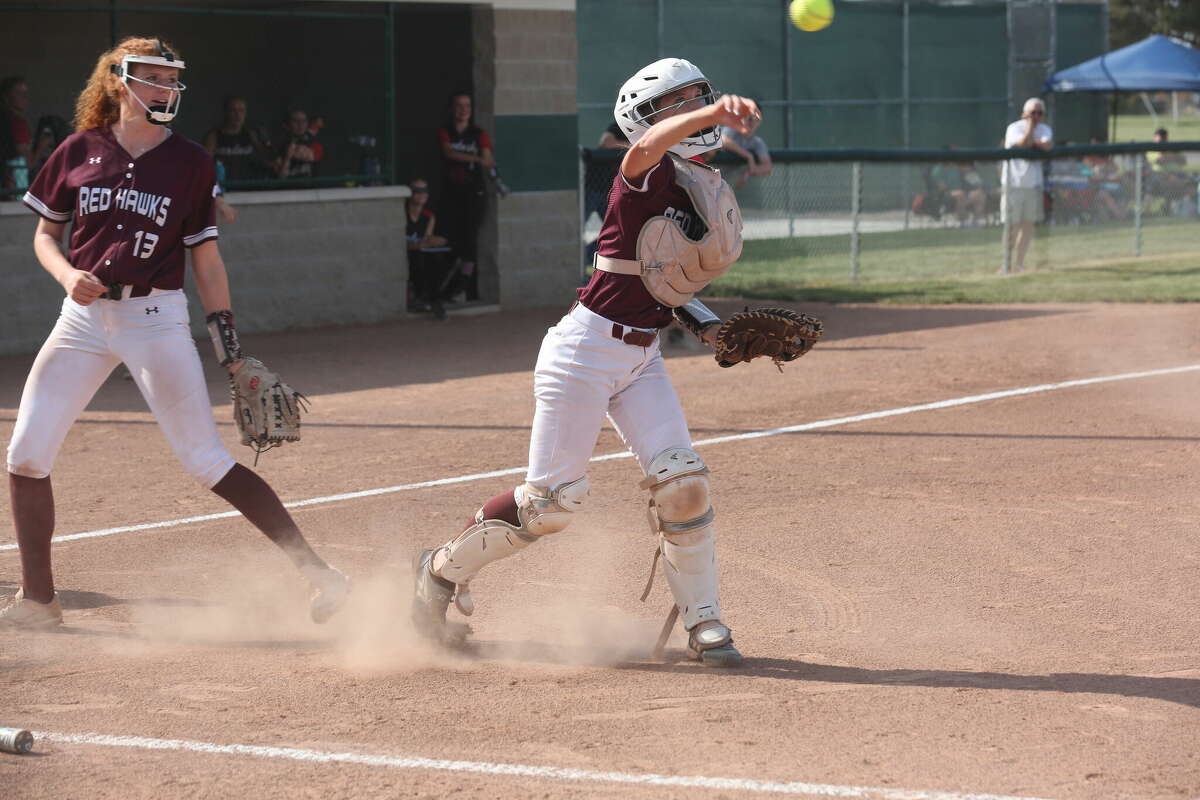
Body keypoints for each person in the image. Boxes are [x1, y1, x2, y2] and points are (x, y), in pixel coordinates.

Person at [411, 57, 760, 667]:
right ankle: (437, 573)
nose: (689, 112)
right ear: (642, 121)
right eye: (675, 106)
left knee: (684, 481)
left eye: (696, 98)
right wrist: (712, 114)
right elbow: (649, 146)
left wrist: (705, 323)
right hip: (584, 351)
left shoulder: (697, 182)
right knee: (550, 506)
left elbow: (660, 277)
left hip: (642, 355)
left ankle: (705, 625)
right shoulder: (643, 173)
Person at [0, 37, 349, 628]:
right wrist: (66, 277)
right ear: (119, 82)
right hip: (82, 319)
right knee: (26, 457)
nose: (165, 89)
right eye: (154, 77)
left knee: (204, 460)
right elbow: (44, 235)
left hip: (154, 318)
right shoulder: (78, 149)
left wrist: (230, 352)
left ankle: (320, 573)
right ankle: (39, 602)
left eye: (171, 79)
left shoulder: (191, 161)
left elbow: (206, 261)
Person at [437, 92, 502, 301]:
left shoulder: (478, 134)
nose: (463, 110)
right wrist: (474, 157)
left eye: (467, 106)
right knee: (451, 238)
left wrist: (476, 158)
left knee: (470, 241)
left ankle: (462, 287)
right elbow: (449, 153)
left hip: (474, 193)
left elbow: (488, 161)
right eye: (459, 106)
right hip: (451, 192)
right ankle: (443, 287)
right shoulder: (445, 131)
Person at [1001, 97, 1053, 272]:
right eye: (1032, 113)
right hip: (1013, 184)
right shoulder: (1013, 128)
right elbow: (1023, 144)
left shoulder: (1045, 129)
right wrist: (1031, 130)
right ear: (1024, 113)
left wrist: (1035, 143)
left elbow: (1047, 145)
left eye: (1040, 113)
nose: (1036, 116)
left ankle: (1019, 264)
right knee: (1012, 226)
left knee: (1027, 226)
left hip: (1033, 185)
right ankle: (1006, 264)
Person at [583, 121, 630, 267]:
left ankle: (598, 265)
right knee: (586, 227)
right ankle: (587, 265)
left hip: (612, 190)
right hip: (593, 187)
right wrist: (632, 147)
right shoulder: (622, 123)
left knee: (610, 230)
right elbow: (607, 142)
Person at [404, 177, 450, 318]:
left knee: (437, 258)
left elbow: (427, 239)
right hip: (405, 255)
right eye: (417, 191)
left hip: (420, 254)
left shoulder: (429, 216)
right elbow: (400, 243)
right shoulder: (402, 212)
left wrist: (436, 241)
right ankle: (426, 298)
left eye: (425, 191)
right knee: (419, 258)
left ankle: (433, 299)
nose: (422, 194)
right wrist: (420, 244)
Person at [2, 76, 53, 197]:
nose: (25, 97)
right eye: (19, 93)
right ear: (6, 97)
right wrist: (42, 145)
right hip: (13, 186)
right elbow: (29, 163)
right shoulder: (16, 123)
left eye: (26, 93)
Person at [719, 108, 771, 189]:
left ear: (759, 121)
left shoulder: (757, 142)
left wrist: (748, 172)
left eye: (756, 119)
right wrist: (748, 156)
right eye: (750, 118)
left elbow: (767, 167)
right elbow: (723, 140)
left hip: (730, 186)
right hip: (709, 179)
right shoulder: (732, 129)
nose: (752, 122)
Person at [271, 107, 323, 180]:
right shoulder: (279, 145)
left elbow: (311, 156)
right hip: (287, 188)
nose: (300, 124)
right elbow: (281, 177)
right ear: (287, 125)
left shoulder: (313, 142)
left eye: (303, 121)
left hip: (311, 188)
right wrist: (287, 157)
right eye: (296, 121)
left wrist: (299, 151)